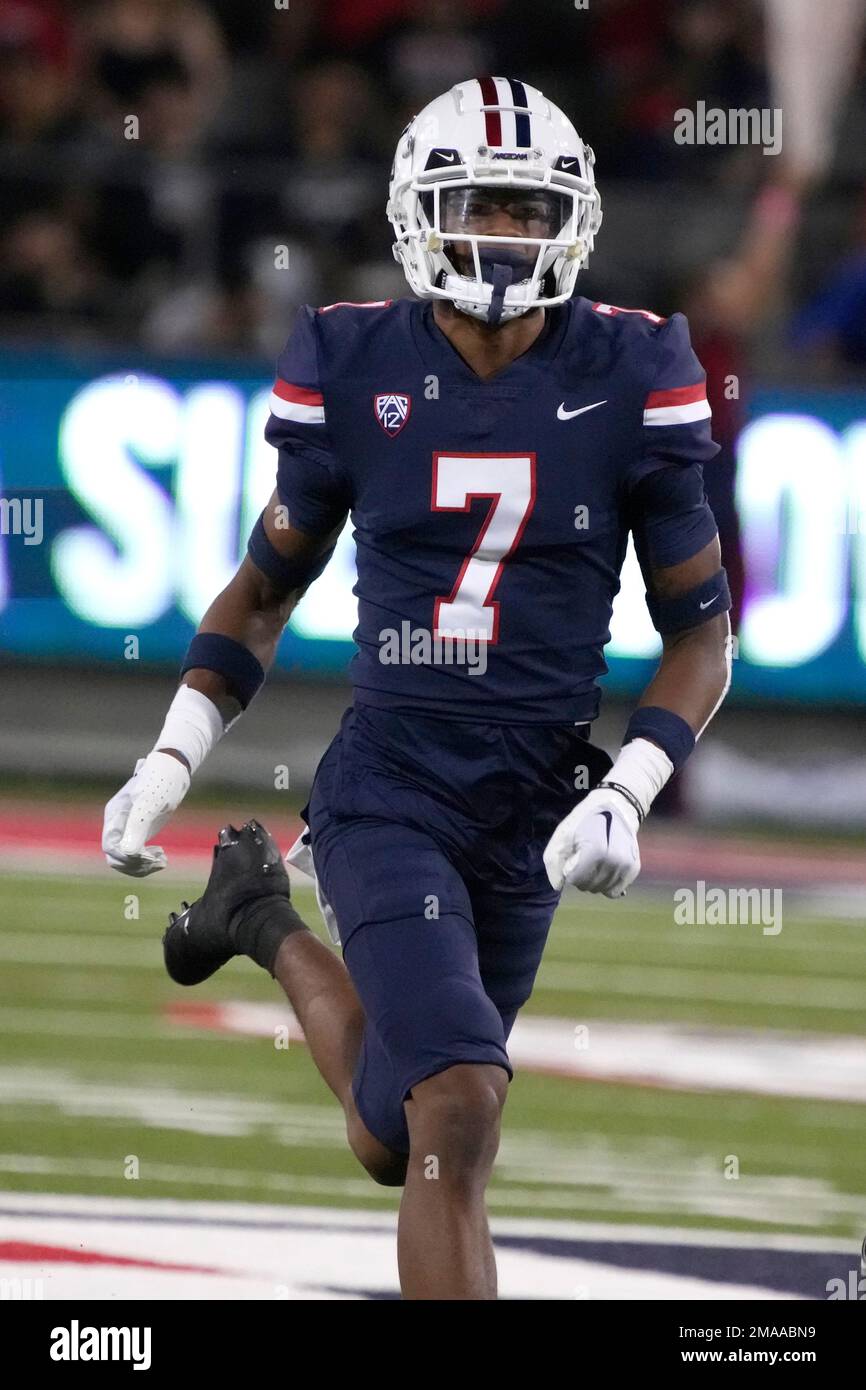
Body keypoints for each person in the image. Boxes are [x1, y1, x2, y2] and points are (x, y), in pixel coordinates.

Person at [102, 76, 731, 1300]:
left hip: (539, 796)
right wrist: (169, 754)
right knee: (456, 1110)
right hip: (393, 785)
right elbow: (263, 590)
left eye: (524, 208)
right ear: (416, 213)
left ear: (573, 222)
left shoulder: (634, 366)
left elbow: (700, 633)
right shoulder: (352, 360)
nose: (501, 233)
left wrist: (631, 789)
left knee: (396, 1132)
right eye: (478, 203)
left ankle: (256, 917)